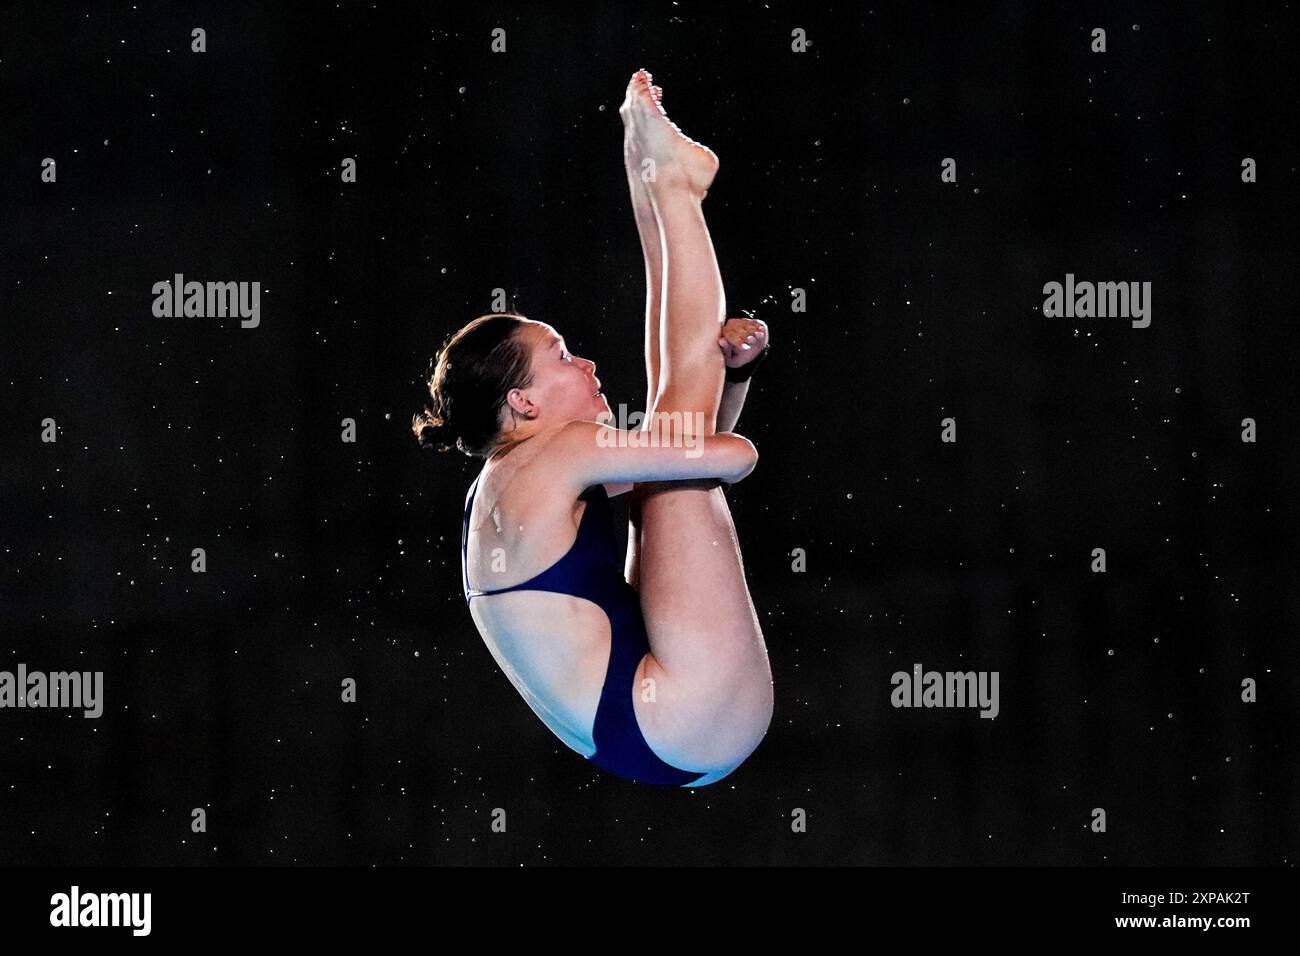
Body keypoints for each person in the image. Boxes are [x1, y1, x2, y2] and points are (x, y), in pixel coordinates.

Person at [413, 69, 772, 786]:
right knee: (672, 428)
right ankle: (667, 187)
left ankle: (662, 180)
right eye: (562, 358)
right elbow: (731, 457)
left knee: (668, 449)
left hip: (660, 739)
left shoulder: (510, 486)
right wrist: (715, 413)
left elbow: (687, 464)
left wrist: (730, 377)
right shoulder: (556, 457)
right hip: (683, 712)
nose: (588, 365)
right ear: (524, 403)